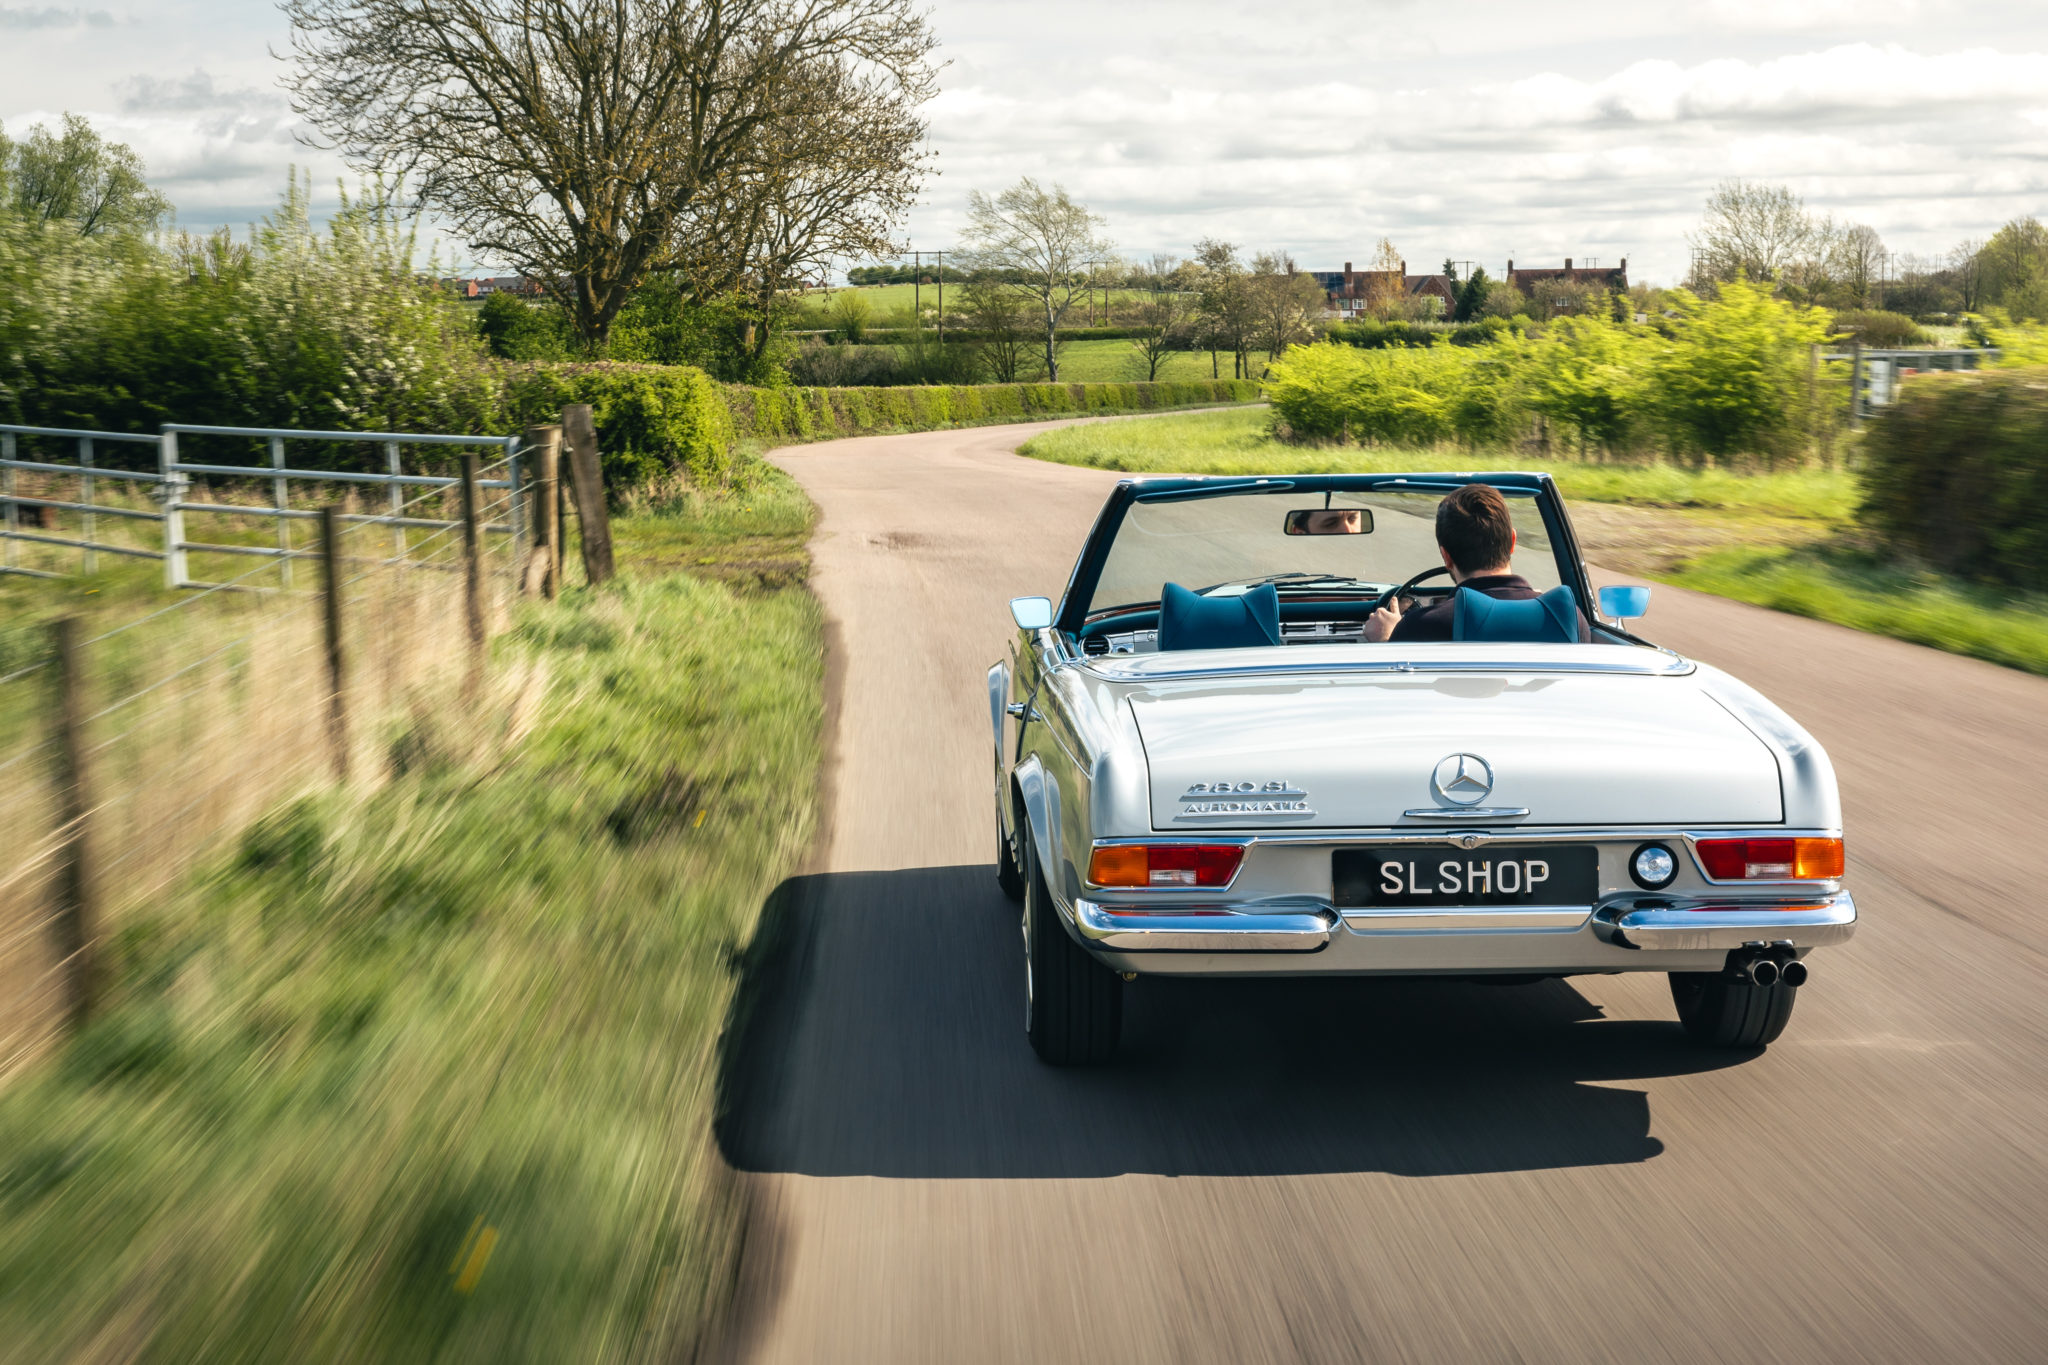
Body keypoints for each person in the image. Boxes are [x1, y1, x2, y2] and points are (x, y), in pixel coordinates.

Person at [1362, 483, 1589, 643]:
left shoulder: (1421, 627)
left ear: (1446, 556)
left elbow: (1402, 698)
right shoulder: (1569, 619)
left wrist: (1388, 641)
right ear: (1512, 541)